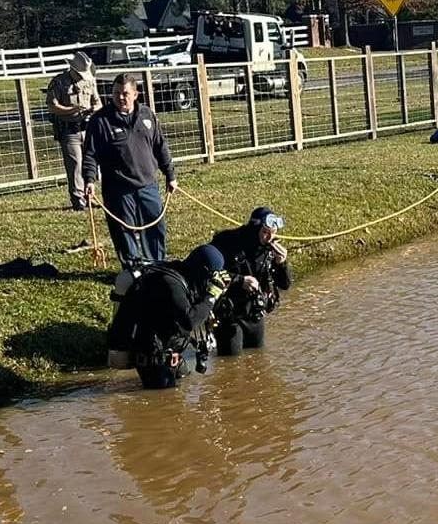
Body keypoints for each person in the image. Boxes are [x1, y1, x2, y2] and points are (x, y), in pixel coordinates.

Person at [80, 73, 178, 269]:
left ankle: (156, 266)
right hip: (118, 189)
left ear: (135, 94)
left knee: (154, 226)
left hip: (147, 184)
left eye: (125, 93)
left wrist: (170, 175)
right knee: (123, 230)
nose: (120, 97)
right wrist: (89, 180)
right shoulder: (100, 121)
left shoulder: (147, 116)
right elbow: (90, 154)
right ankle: (133, 269)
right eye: (116, 93)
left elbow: (160, 146)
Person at [105, 244, 229, 389]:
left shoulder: (188, 276)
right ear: (202, 270)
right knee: (161, 397)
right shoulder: (171, 284)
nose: (210, 283)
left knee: (182, 384)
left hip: (171, 350)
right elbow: (190, 321)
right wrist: (211, 296)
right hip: (152, 355)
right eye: (210, 277)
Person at [208, 206, 292, 354]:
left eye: (273, 233)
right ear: (255, 228)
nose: (269, 238)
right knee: (230, 362)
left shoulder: (269, 249)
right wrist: (240, 280)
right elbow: (209, 272)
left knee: (257, 357)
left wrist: (282, 264)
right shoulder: (227, 241)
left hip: (254, 313)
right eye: (265, 232)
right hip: (229, 314)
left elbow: (285, 285)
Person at [45, 52, 101, 211]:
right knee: (75, 164)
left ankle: (90, 196)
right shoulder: (59, 82)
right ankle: (78, 199)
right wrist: (72, 110)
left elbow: (98, 103)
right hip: (69, 130)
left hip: (87, 128)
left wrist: (92, 110)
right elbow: (52, 105)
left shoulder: (90, 81)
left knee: (89, 163)